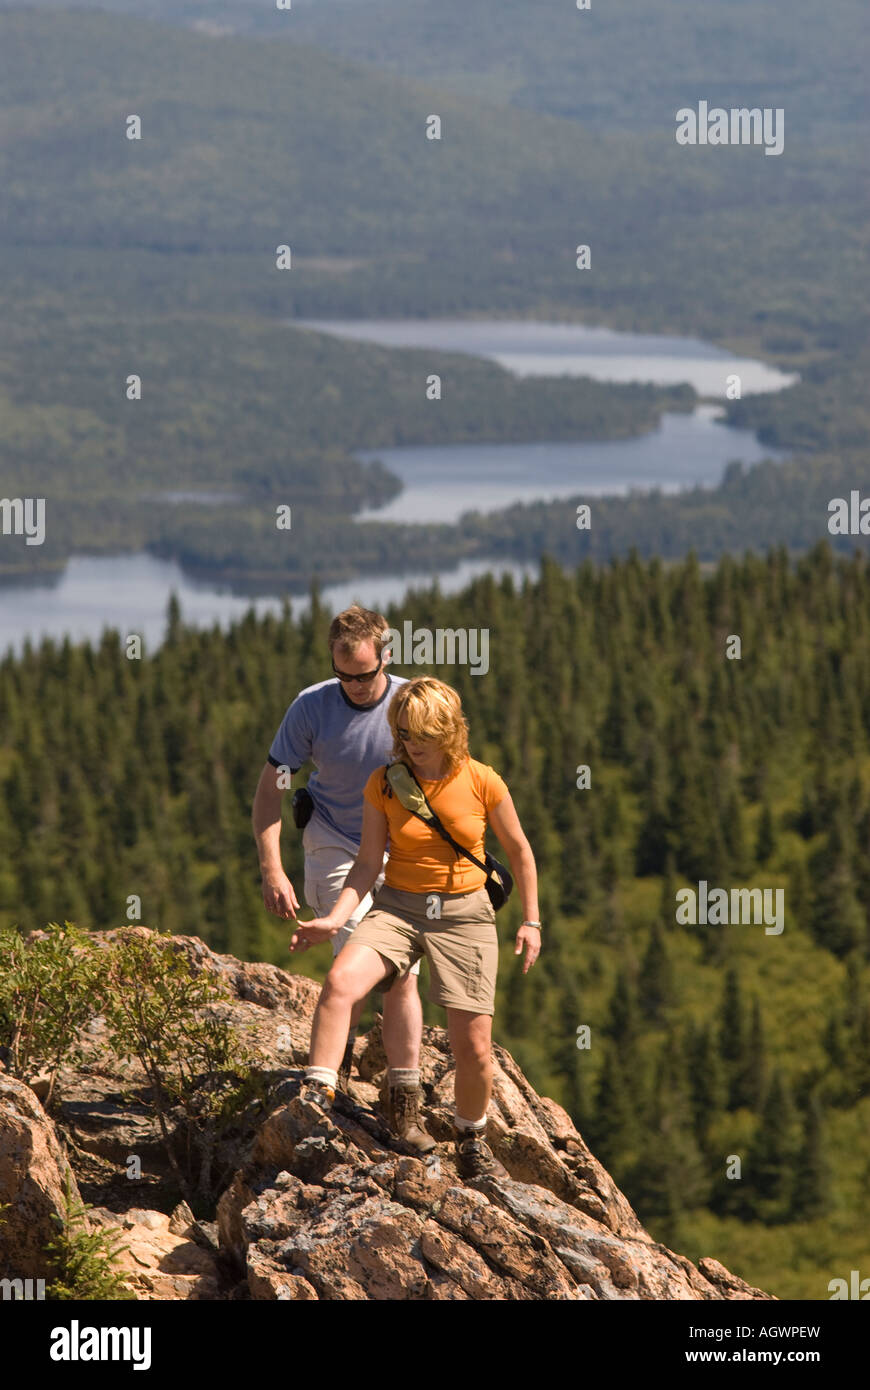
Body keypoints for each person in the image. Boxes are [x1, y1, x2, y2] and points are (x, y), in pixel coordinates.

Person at [291, 676, 541, 1179]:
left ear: (450, 732)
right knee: (341, 982)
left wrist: (531, 921)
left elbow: (520, 852)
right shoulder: (383, 783)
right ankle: (315, 1105)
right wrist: (336, 919)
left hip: (465, 914)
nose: (411, 745)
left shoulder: (483, 780)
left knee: (472, 1047)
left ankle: (471, 1136)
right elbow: (365, 865)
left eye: (422, 736)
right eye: (403, 734)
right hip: (399, 907)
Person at [252, 604, 434, 1153]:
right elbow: (269, 791)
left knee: (401, 972)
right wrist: (272, 867)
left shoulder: (411, 706)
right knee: (362, 952)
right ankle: (322, 1093)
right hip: (333, 842)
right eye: (343, 675)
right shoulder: (311, 708)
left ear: (386, 657)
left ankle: (401, 1104)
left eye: (364, 674)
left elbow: (453, 780)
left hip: (401, 848)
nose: (354, 686)